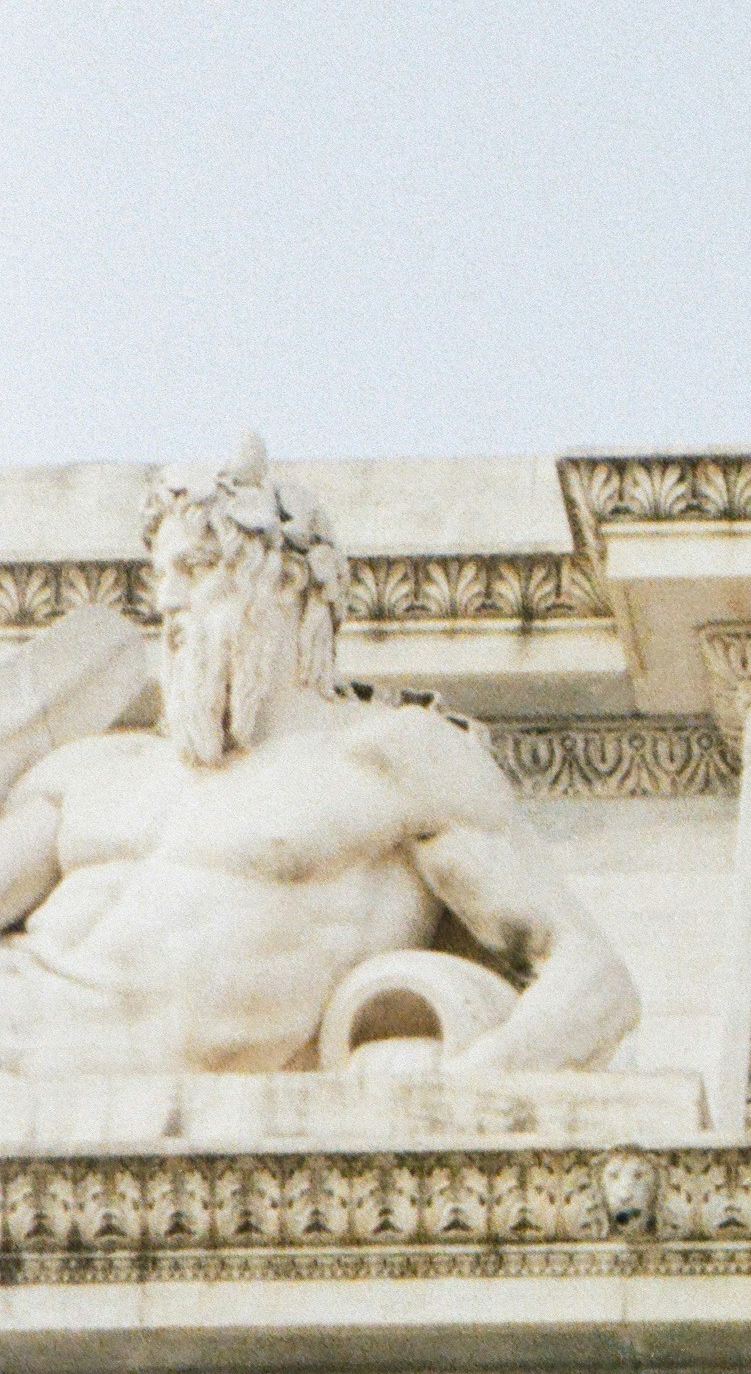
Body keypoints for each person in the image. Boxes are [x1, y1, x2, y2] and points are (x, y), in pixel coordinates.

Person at [0, 450, 637, 1114]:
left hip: (137, 1116)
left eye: (197, 569)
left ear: (285, 582)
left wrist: (459, 1099)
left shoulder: (390, 759)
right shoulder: (91, 769)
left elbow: (592, 979)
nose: (167, 601)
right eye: (163, 575)